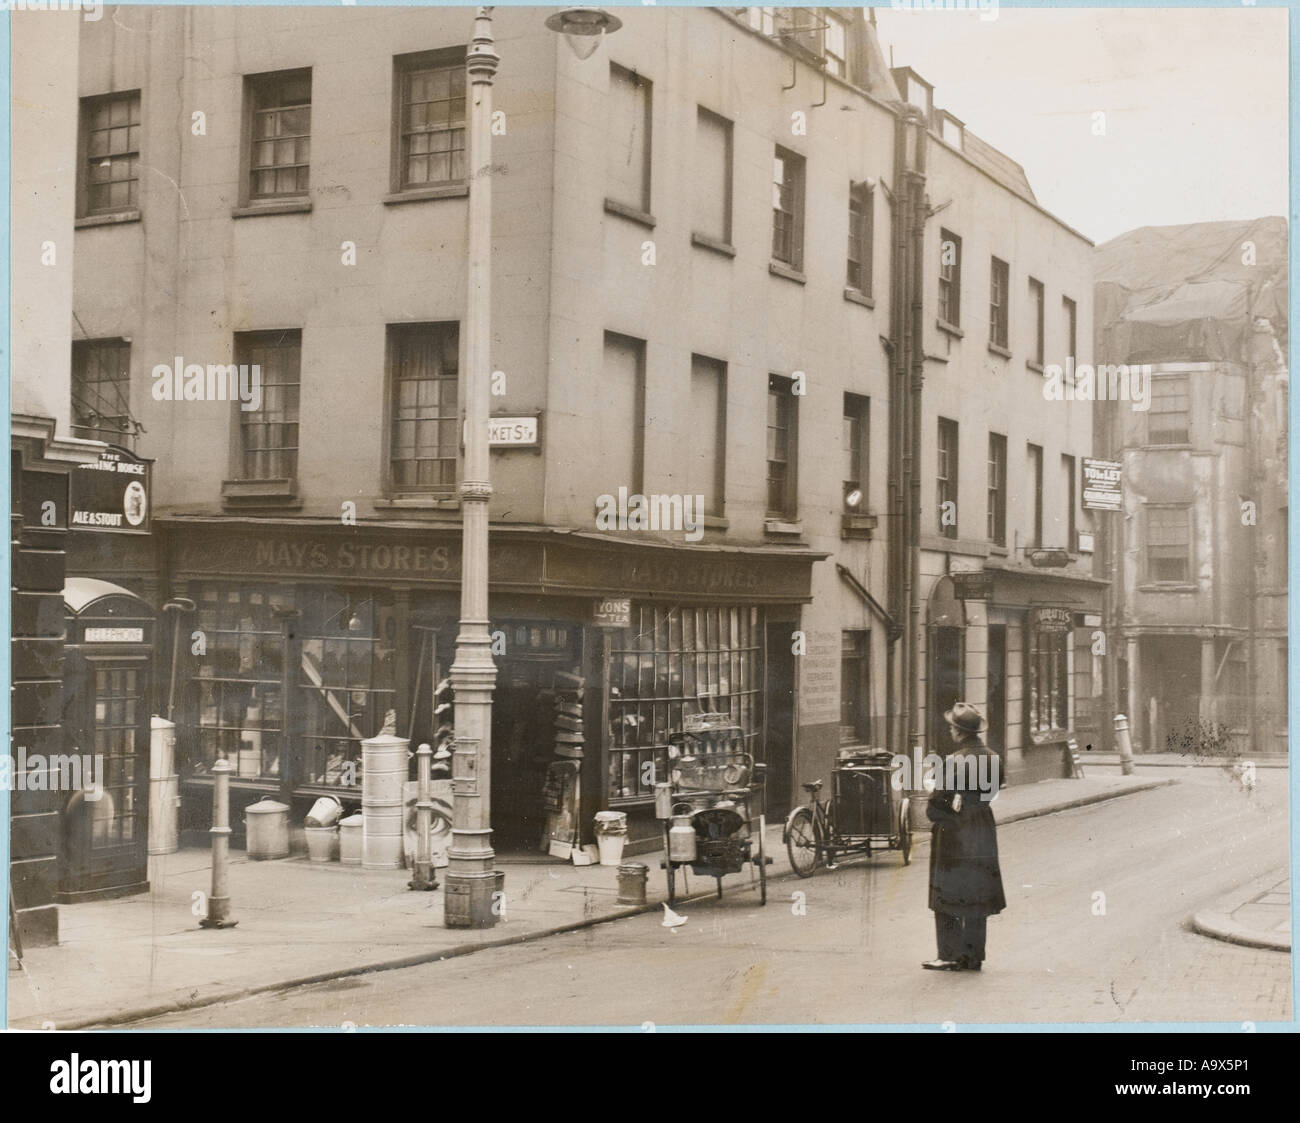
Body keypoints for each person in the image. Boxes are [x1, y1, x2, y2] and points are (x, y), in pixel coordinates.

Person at [922, 702, 1006, 972]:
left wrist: (936, 809)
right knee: (976, 890)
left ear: (959, 733)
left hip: (954, 830)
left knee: (946, 891)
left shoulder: (954, 761)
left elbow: (938, 801)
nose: (950, 732)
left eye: (952, 728)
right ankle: (973, 955)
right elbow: (992, 792)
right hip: (982, 825)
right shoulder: (994, 758)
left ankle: (948, 954)